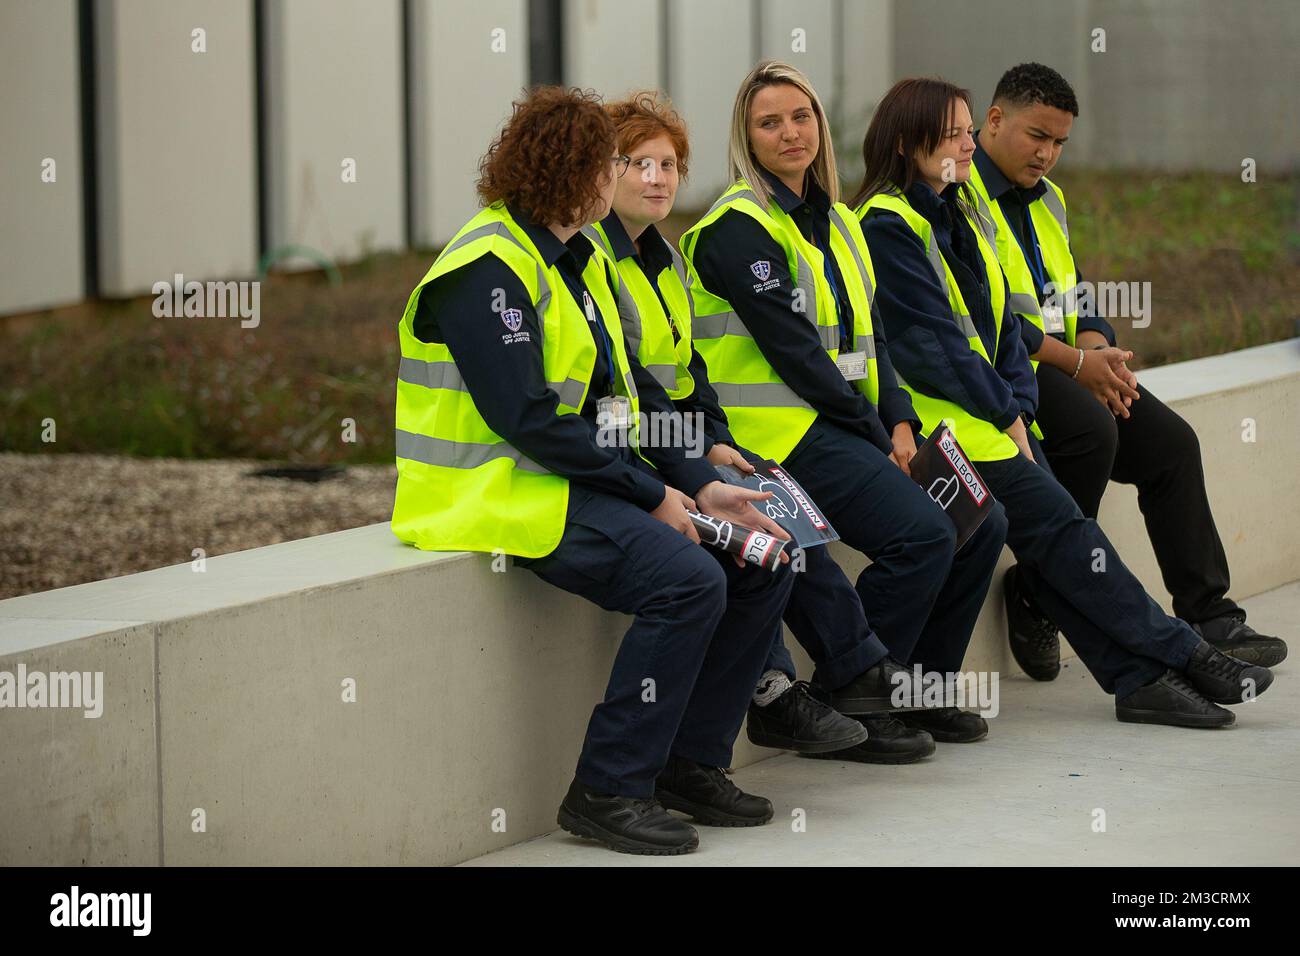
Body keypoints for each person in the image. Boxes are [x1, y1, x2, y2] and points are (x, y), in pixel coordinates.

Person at [392, 86, 797, 855]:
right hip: (491, 494)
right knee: (689, 579)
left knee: (761, 563)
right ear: (579, 172)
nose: (629, 177)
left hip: (563, 479)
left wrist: (700, 482)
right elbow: (529, 421)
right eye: (617, 162)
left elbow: (632, 395)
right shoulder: (486, 268)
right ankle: (607, 789)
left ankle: (689, 765)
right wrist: (652, 496)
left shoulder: (576, 262)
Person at [852, 76, 1276, 728]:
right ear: (911, 143)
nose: (968, 145)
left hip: (989, 421)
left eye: (967, 132)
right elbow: (939, 351)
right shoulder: (887, 224)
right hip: (942, 433)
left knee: (1062, 538)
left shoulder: (956, 212)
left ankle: (1143, 676)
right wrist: (1015, 414)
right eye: (956, 134)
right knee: (1063, 534)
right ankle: (1180, 652)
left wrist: (1028, 393)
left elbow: (999, 327)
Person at [586, 90, 933, 764]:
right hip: (635, 451)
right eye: (638, 164)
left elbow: (690, 374)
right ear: (603, 172)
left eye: (668, 164)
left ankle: (856, 675)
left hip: (684, 441)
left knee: (778, 512)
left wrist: (711, 436)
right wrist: (697, 458)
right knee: (767, 528)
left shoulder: (664, 259)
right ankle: (791, 688)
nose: (657, 178)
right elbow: (630, 392)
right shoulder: (603, 259)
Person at [680, 61, 1011, 753]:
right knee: (922, 532)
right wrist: (873, 433)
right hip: (772, 434)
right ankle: (859, 689)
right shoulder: (737, 228)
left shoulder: (836, 220)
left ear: (821, 127)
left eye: (800, 118)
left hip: (840, 424)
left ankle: (916, 686)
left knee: (980, 521)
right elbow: (798, 354)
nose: (789, 133)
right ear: (746, 137)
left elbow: (873, 336)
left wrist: (898, 421)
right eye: (769, 123)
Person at [968, 62, 1287, 674]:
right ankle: (1045, 585)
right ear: (995, 119)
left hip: (1062, 360)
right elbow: (978, 313)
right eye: (1038, 136)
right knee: (1093, 430)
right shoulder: (961, 198)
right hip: (997, 367)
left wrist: (1096, 343)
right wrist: (1078, 362)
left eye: (1060, 142)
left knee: (1170, 443)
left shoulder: (1047, 200)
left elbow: (1070, 287)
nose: (1048, 154)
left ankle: (1209, 613)